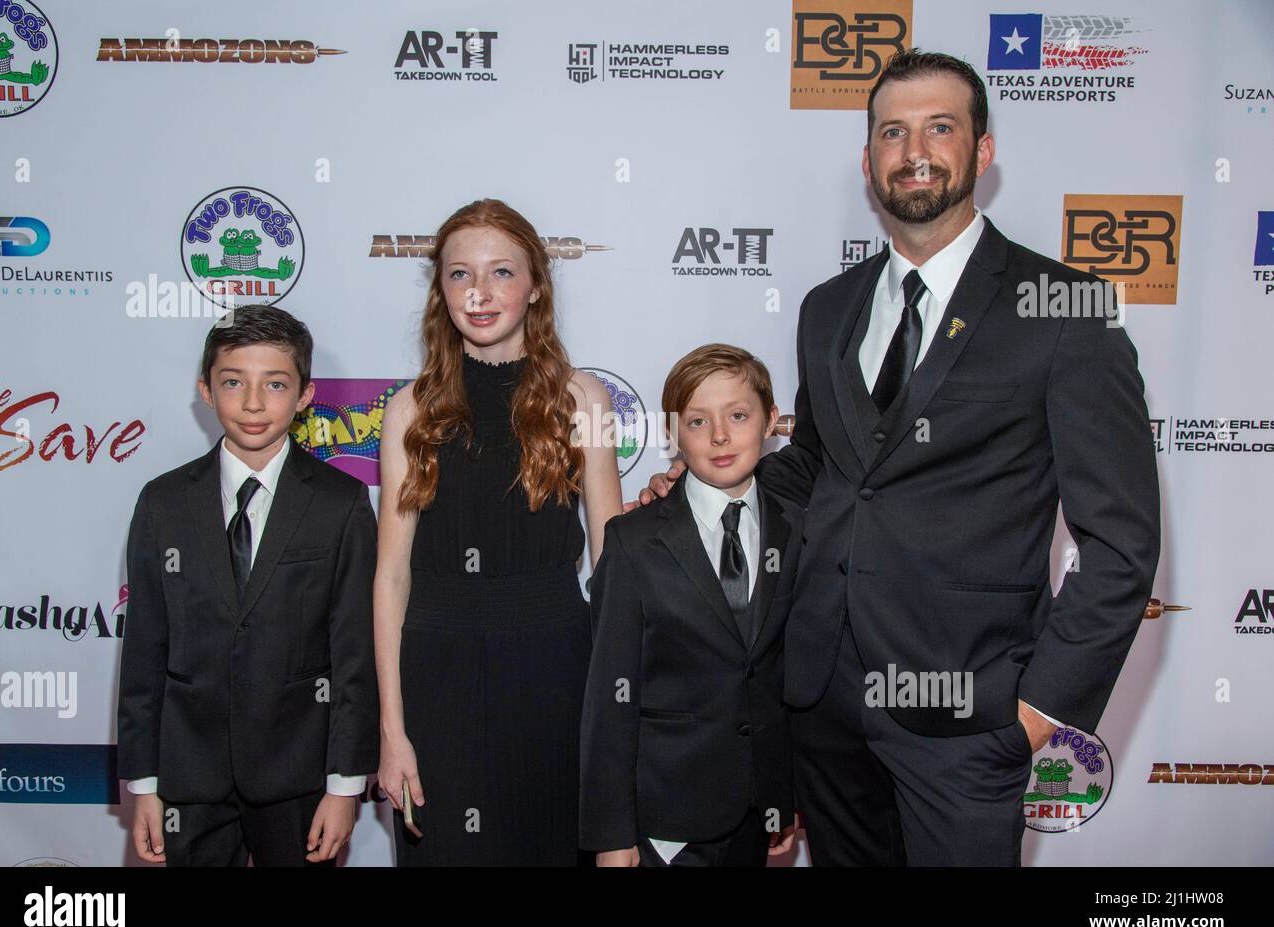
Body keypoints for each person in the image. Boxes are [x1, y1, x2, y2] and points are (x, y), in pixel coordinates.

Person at [639, 49, 1160, 865]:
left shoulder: (1064, 311)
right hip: (821, 703)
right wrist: (712, 482)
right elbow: (813, 465)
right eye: (893, 132)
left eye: (940, 127)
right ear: (869, 160)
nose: (914, 150)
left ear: (981, 153)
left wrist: (1040, 712)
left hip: (970, 717)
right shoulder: (828, 308)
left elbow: (1122, 543)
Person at [375, 198, 623, 866]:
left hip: (555, 677)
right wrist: (392, 731)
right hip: (437, 680)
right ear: (441, 290)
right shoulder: (409, 411)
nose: (479, 293)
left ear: (536, 285)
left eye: (501, 273)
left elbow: (614, 564)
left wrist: (615, 724)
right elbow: (391, 578)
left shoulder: (584, 402)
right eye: (460, 275)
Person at [117, 305, 380, 866]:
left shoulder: (340, 503)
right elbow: (144, 649)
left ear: (306, 394)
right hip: (188, 777)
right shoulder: (163, 503)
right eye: (233, 382)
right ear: (206, 391)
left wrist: (345, 785)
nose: (254, 403)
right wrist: (143, 784)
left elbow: (354, 653)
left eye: (276, 384)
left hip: (300, 776)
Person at [580, 345, 800, 867]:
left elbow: (781, 680)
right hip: (665, 824)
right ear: (673, 433)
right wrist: (612, 834)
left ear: (771, 421)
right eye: (698, 421)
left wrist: (783, 800)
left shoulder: (796, 527)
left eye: (739, 416)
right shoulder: (634, 541)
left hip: (757, 814)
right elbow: (608, 699)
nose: (720, 436)